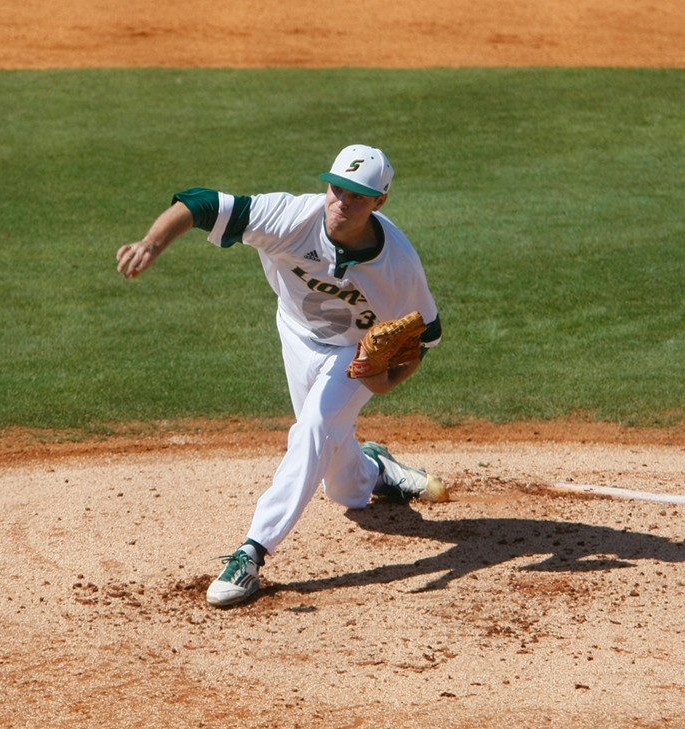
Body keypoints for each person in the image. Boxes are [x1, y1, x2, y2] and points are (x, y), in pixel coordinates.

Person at [116, 144, 447, 608]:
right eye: (337, 188)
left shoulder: (400, 265)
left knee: (312, 430)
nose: (341, 201)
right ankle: (373, 471)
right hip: (295, 333)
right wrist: (151, 242)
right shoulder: (288, 216)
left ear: (379, 202)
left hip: (351, 352)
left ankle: (252, 551)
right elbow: (200, 203)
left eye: (357, 195)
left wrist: (382, 380)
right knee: (343, 487)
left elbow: (426, 338)